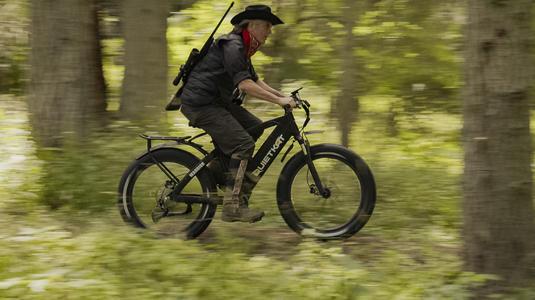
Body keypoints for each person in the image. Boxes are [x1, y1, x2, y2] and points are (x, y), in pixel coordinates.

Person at [179, 4, 296, 223]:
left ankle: (220, 174)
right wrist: (279, 101)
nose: (270, 31)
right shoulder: (233, 46)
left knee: (255, 127)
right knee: (243, 144)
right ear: (252, 25)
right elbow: (244, 85)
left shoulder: (243, 46)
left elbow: (254, 79)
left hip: (217, 102)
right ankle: (233, 207)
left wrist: (283, 96)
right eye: (268, 25)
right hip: (201, 104)